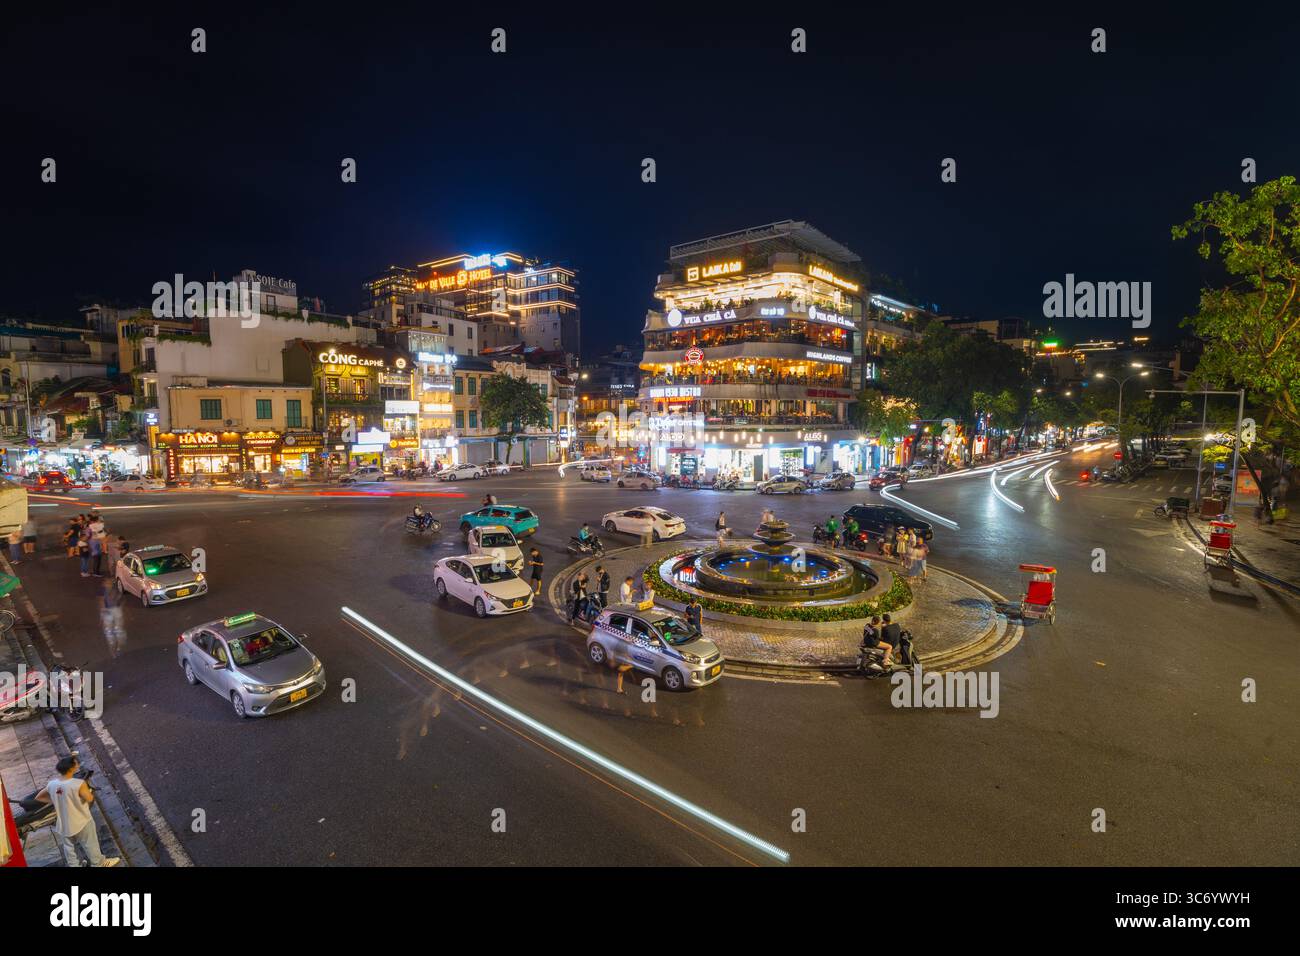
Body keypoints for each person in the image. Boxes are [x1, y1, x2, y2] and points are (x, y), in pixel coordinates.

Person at [36, 755, 120, 868]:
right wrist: (88, 791)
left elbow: (39, 797)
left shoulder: (52, 784)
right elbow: (89, 798)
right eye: (76, 764)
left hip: (63, 823)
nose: (78, 765)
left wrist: (56, 801)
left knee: (69, 849)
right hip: (81, 821)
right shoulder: (78, 784)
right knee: (90, 844)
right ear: (71, 769)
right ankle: (100, 863)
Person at [101, 577, 125, 658]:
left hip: (115, 610)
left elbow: (120, 600)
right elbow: (102, 603)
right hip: (109, 612)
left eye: (109, 583)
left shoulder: (116, 591)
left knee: (118, 631)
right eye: (107, 583)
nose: (108, 585)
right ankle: (114, 650)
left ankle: (118, 648)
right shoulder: (104, 592)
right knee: (110, 633)